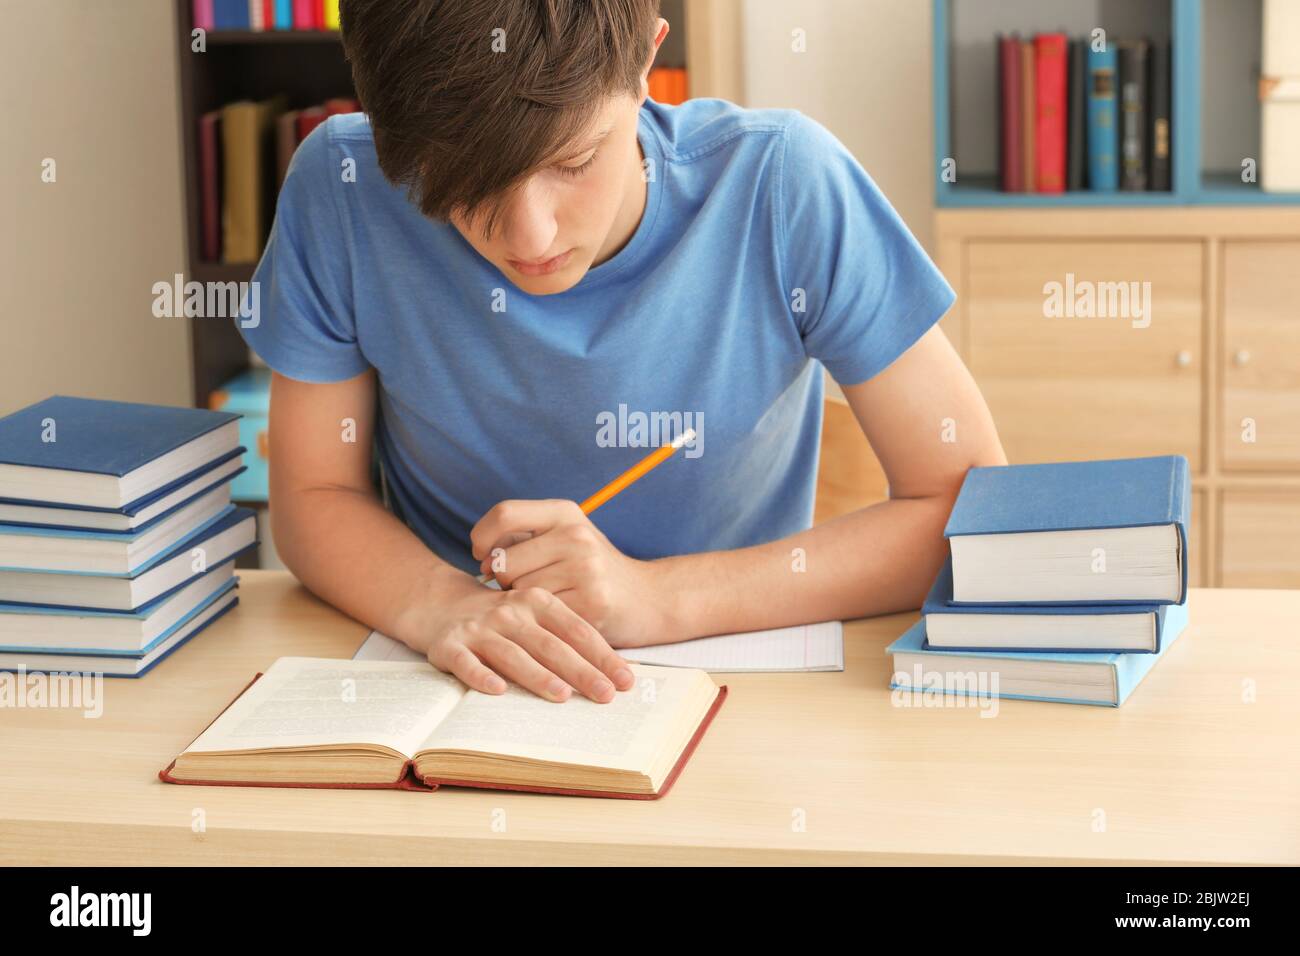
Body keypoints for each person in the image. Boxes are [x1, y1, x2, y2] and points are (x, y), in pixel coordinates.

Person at [239, 0, 1007, 704]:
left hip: (739, 689)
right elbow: (313, 497)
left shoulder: (781, 185)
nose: (530, 237)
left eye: (573, 160)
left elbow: (967, 509)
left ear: (645, 58)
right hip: (452, 690)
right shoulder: (341, 186)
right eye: (460, 182)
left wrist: (655, 597)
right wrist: (442, 606)